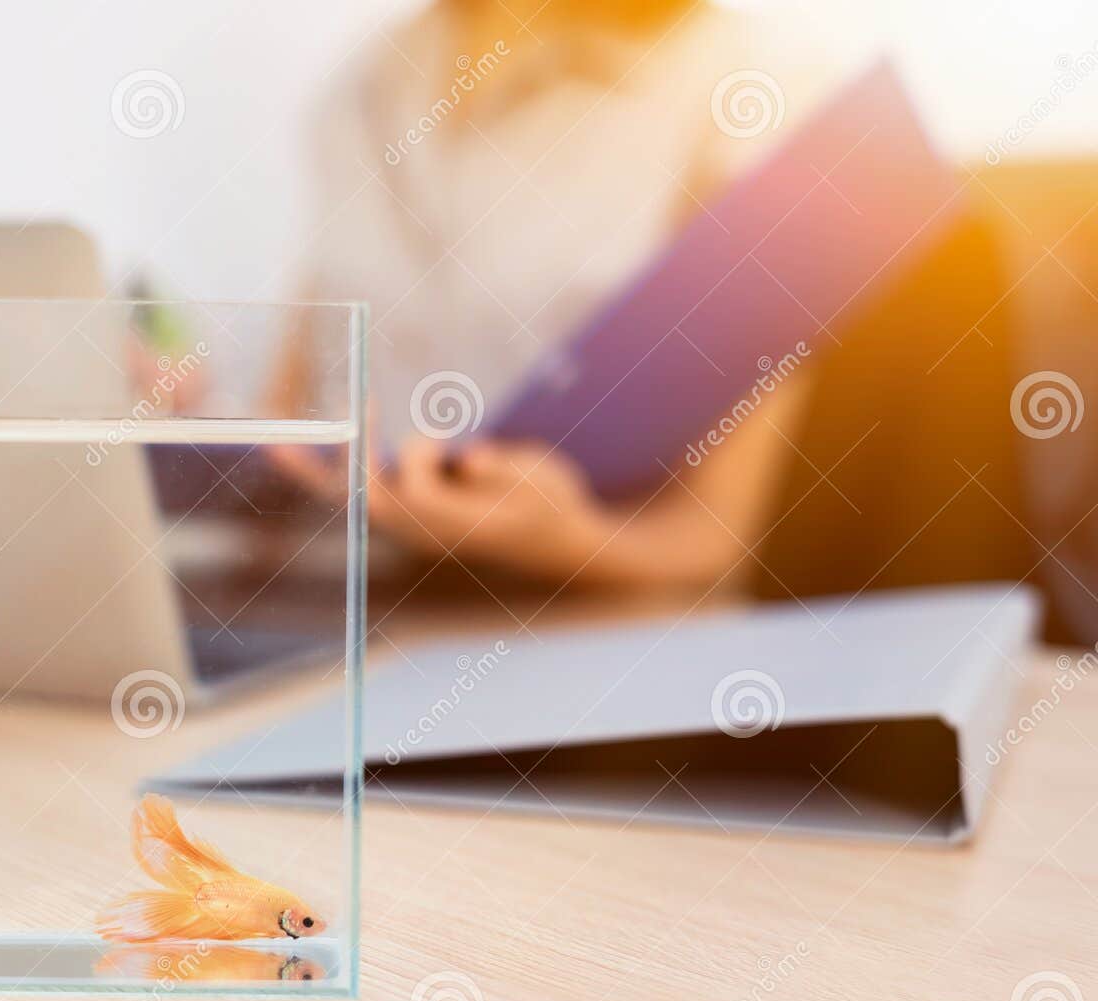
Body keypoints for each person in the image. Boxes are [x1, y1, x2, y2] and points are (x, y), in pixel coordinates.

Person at [286, 0, 835, 590]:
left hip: (608, 633)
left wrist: (568, 538)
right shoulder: (366, 78)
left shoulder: (755, 87)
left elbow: (714, 532)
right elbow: (287, 411)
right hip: (352, 609)